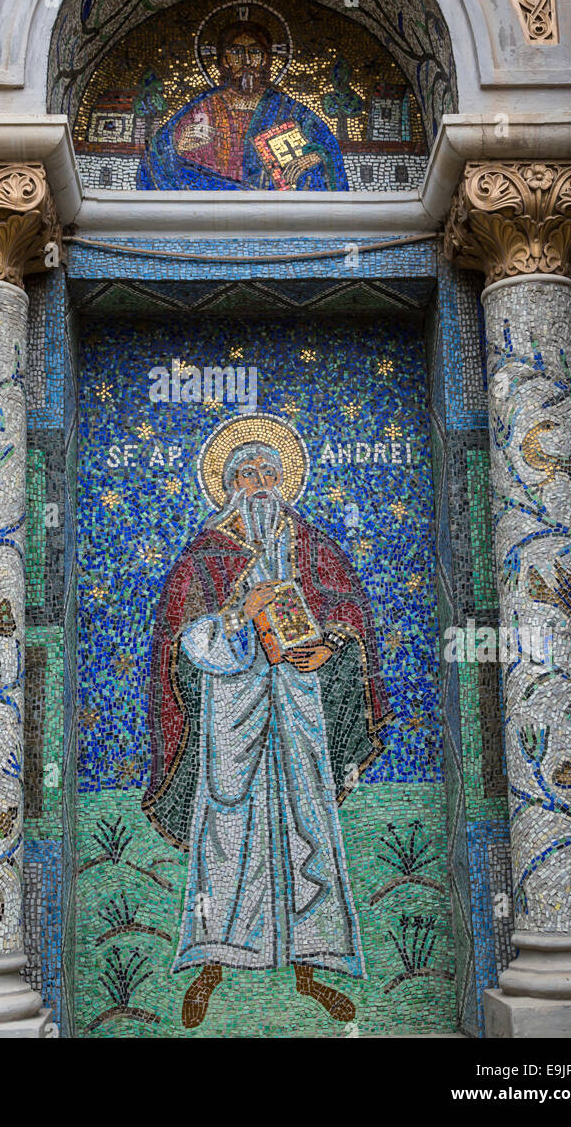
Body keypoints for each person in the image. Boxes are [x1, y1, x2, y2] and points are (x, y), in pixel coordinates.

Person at [143, 421, 391, 1028]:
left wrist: (328, 646)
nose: (259, 485)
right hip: (232, 712)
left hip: (299, 705)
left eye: (269, 473)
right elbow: (181, 642)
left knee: (308, 822)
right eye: (246, 474)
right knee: (226, 829)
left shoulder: (312, 545)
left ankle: (314, 963)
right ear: (227, 484)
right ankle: (211, 960)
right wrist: (236, 617)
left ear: (285, 481)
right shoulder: (205, 554)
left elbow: (348, 615)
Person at [136, 21, 348, 190]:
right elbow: (155, 157)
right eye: (236, 52)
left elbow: (328, 148)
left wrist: (313, 157)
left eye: (255, 52)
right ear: (224, 60)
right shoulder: (203, 107)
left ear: (266, 59)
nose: (246, 60)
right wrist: (178, 147)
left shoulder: (289, 109)